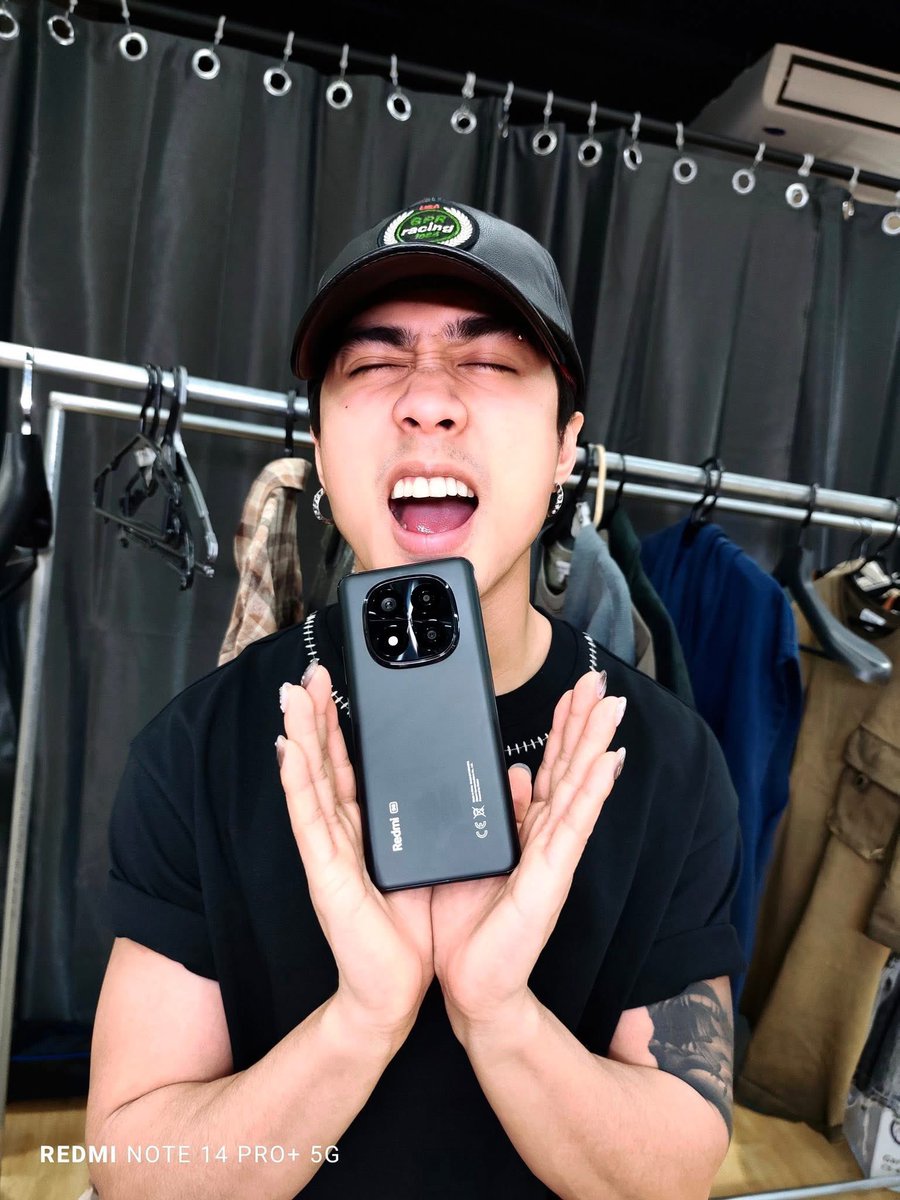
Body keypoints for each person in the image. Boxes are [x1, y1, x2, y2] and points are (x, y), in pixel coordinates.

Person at [85, 198, 743, 1200]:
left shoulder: (663, 759)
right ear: (318, 443)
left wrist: (497, 1014)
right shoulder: (199, 748)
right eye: (372, 363)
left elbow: (676, 1171)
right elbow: (134, 1171)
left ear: (566, 447)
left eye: (490, 361)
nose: (428, 401)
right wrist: (363, 1019)